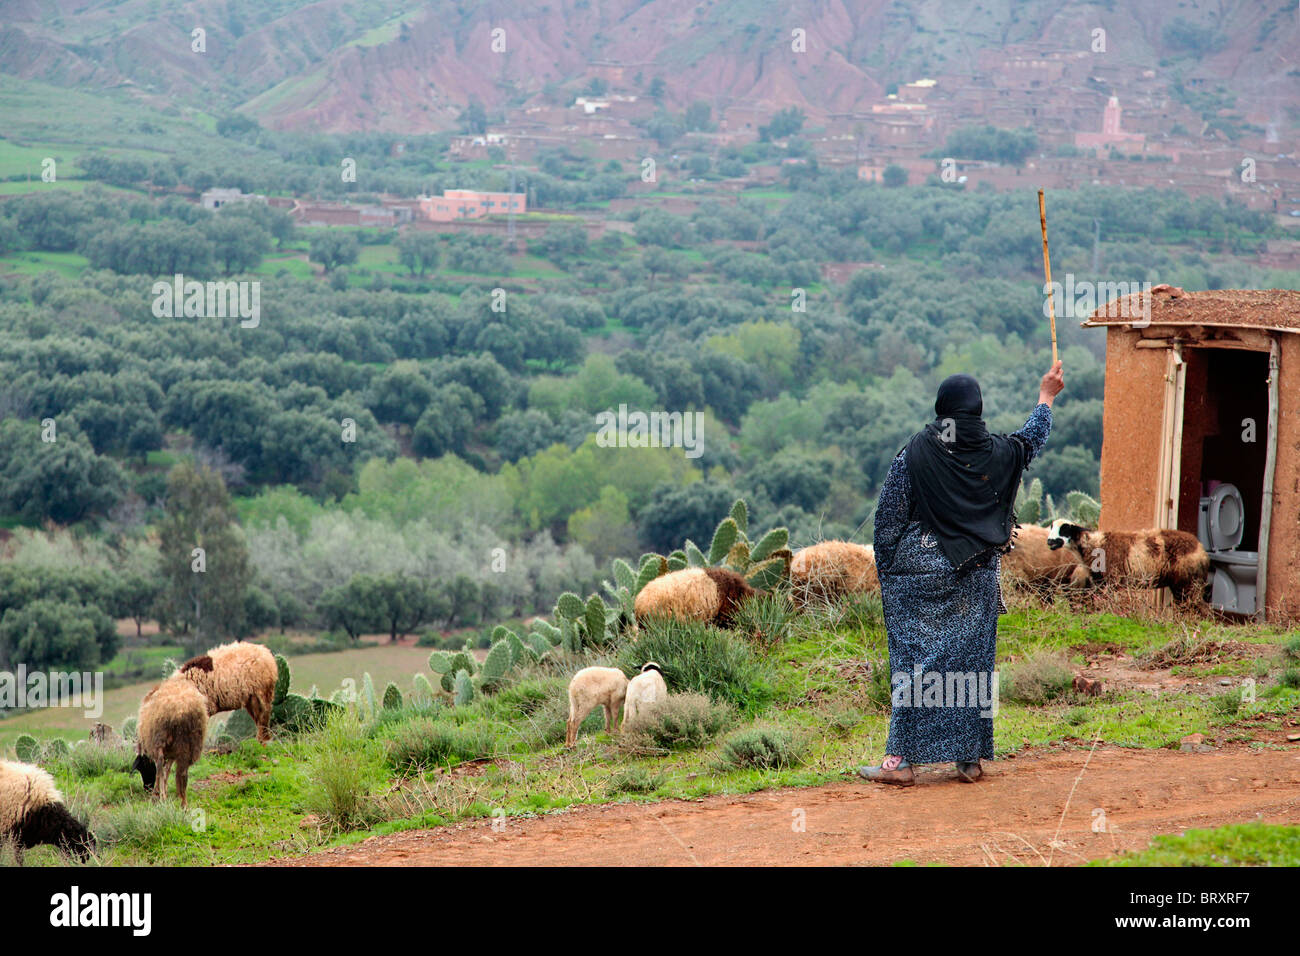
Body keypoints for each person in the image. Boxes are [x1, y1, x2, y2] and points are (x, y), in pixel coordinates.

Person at [859, 360, 1065, 786]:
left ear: (941, 408)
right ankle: (968, 760)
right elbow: (1030, 441)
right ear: (977, 409)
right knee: (970, 665)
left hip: (918, 571)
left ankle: (899, 764)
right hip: (975, 572)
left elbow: (887, 523)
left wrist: (891, 574)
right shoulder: (996, 451)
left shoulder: (915, 452)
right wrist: (1046, 396)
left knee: (915, 665)